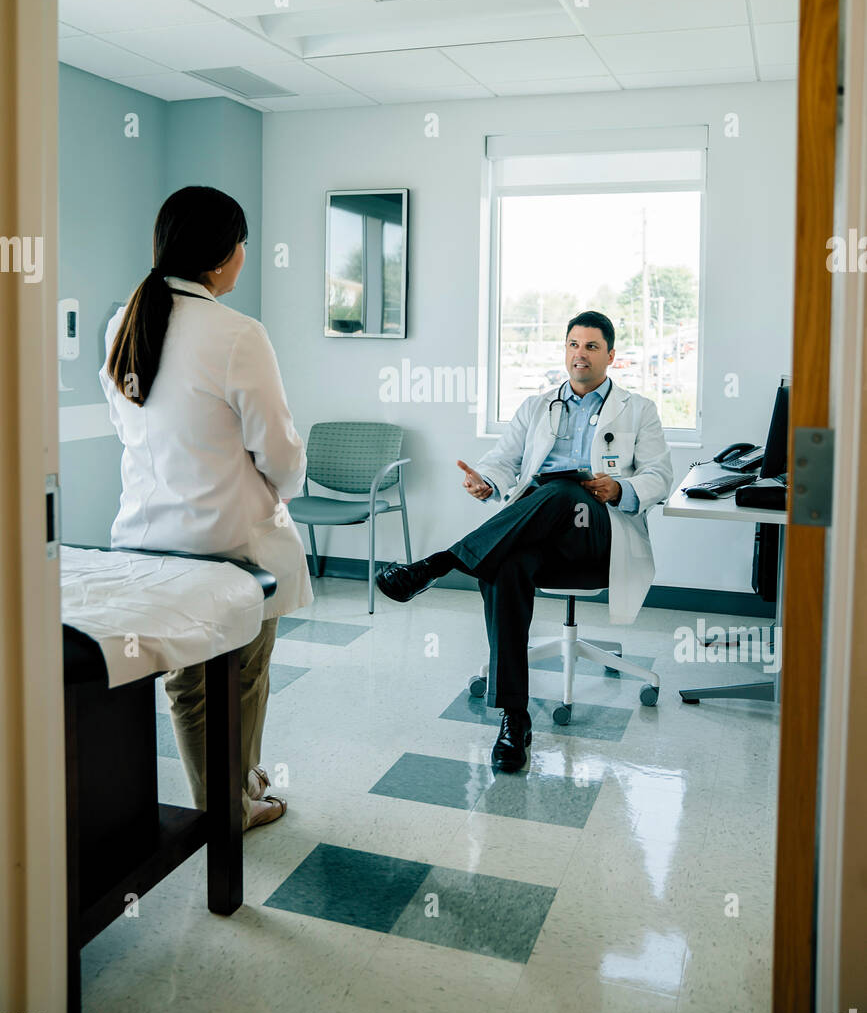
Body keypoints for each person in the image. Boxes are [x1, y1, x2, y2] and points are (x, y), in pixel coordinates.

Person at [99, 185, 312, 829]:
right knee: (242, 671)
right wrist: (281, 486)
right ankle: (232, 806)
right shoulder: (238, 333)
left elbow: (128, 424)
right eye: (242, 243)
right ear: (224, 258)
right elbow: (277, 447)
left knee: (188, 684)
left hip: (148, 539)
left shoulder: (125, 320)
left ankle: (220, 797)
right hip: (233, 543)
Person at [376, 311, 673, 771]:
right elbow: (501, 461)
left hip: (594, 530)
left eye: (592, 346)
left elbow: (659, 475)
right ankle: (515, 720)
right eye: (574, 344)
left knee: (562, 490)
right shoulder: (536, 407)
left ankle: (437, 564)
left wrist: (619, 489)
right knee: (504, 565)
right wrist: (487, 483)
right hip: (537, 531)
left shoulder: (639, 410)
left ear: (611, 356)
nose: (581, 354)